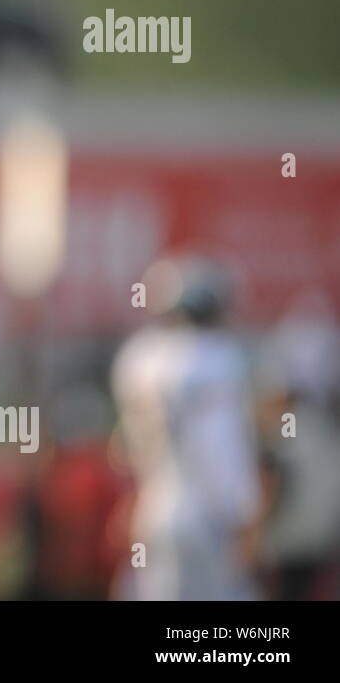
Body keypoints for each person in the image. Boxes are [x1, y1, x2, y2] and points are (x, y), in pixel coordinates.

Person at [110, 257, 263, 600]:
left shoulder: (141, 358)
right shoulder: (217, 359)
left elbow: (126, 449)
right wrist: (247, 513)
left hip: (154, 510)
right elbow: (220, 446)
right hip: (207, 516)